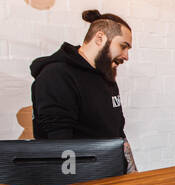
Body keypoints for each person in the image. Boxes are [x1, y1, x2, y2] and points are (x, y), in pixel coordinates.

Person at [30, 9, 137, 171]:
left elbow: (118, 133)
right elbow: (60, 146)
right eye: (123, 46)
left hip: (110, 175)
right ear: (100, 38)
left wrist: (131, 172)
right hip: (81, 182)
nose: (126, 56)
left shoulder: (106, 76)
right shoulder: (56, 75)